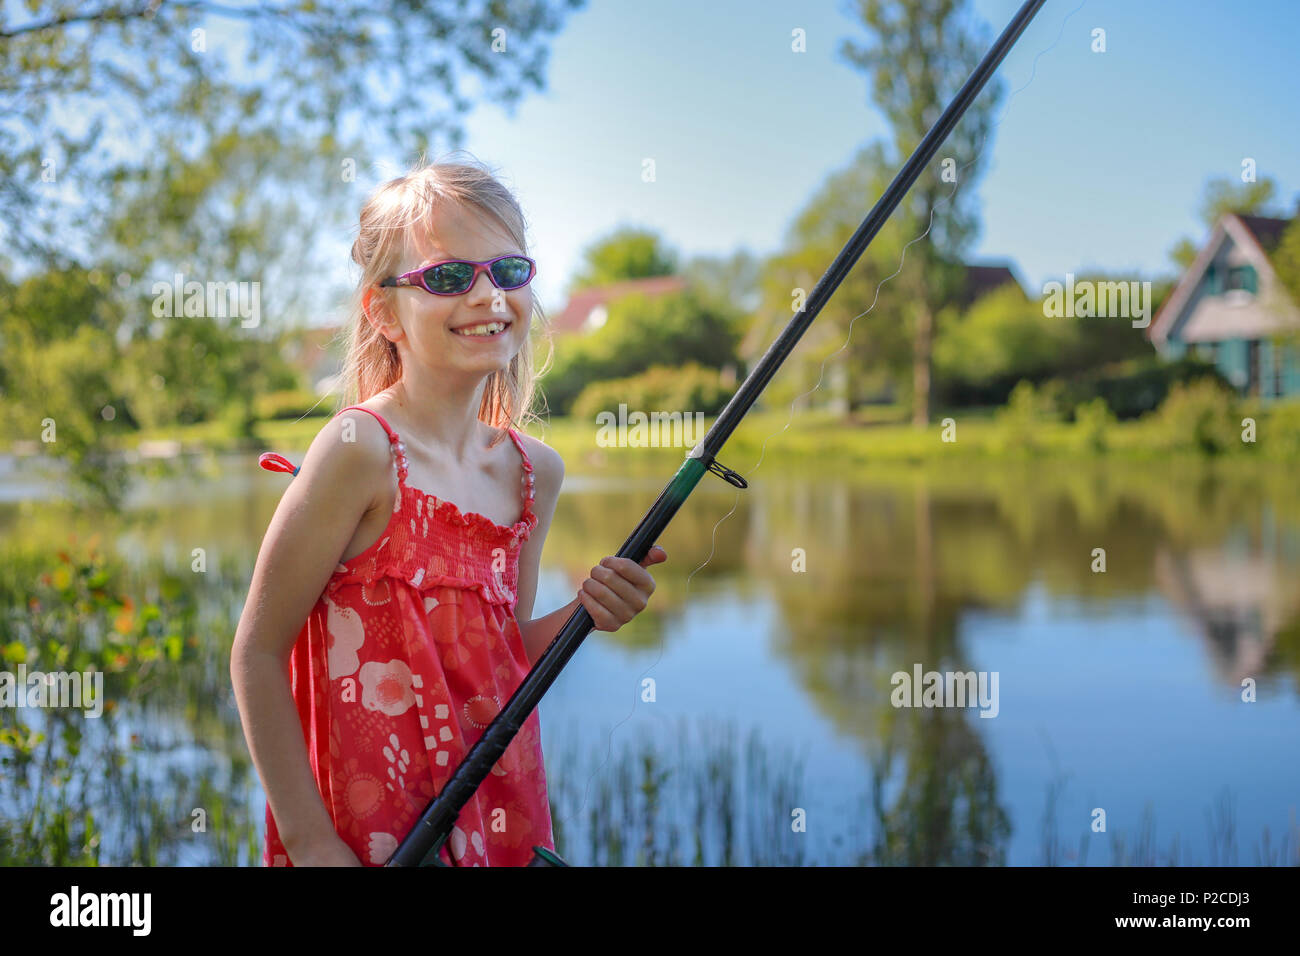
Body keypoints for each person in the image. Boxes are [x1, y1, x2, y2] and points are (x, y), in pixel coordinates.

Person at [230, 155, 667, 866]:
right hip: (370, 825)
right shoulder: (360, 449)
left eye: (508, 271)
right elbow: (256, 652)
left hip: (497, 812)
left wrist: (589, 610)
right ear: (384, 312)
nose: (488, 295)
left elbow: (504, 659)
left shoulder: (534, 474)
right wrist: (310, 842)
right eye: (449, 276)